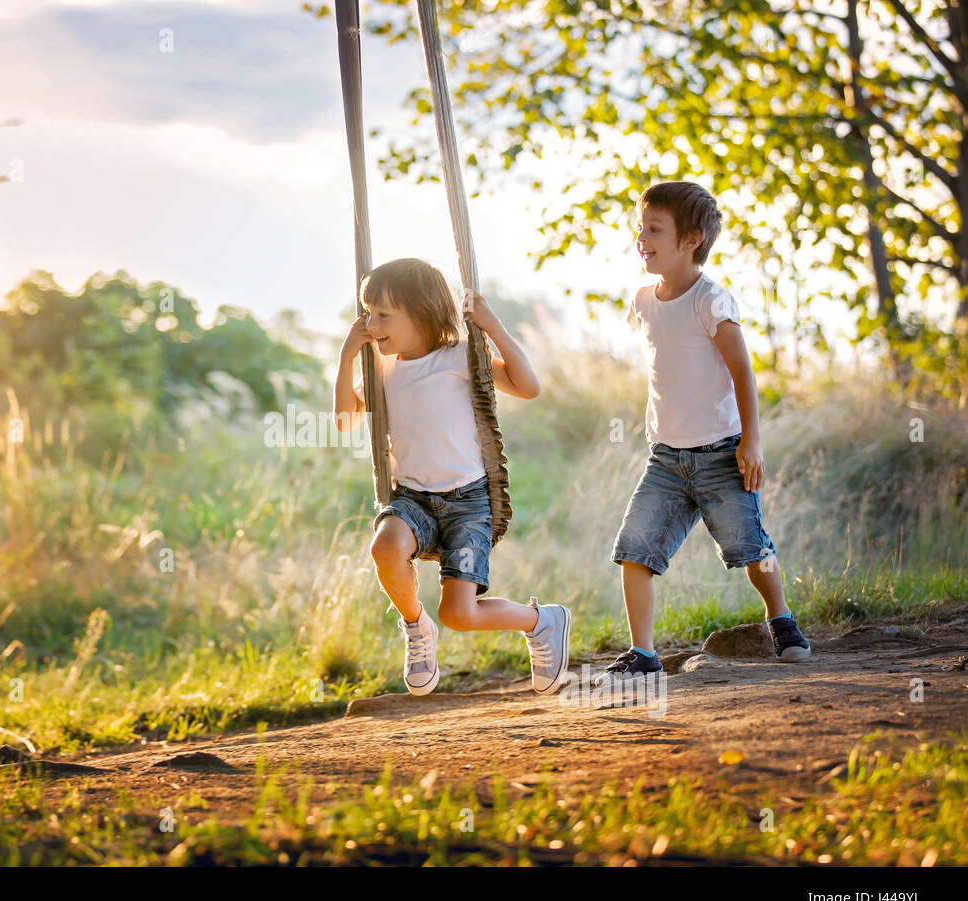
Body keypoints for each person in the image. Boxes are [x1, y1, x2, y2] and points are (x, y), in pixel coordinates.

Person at [602, 181, 810, 684]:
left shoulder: (711, 300)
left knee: (749, 547)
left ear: (692, 238)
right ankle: (644, 652)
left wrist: (750, 442)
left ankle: (780, 620)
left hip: (721, 455)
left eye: (654, 230)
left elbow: (742, 372)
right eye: (640, 228)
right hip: (666, 460)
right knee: (635, 548)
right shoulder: (643, 300)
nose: (641, 238)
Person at [333, 257, 571, 696]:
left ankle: (542, 621)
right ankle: (415, 626)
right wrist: (348, 356)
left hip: (468, 503)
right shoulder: (381, 369)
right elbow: (346, 421)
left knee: (460, 615)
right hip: (413, 499)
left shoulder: (460, 355)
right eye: (367, 312)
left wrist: (493, 326)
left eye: (383, 314)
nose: (371, 323)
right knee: (385, 546)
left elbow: (527, 386)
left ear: (421, 312)